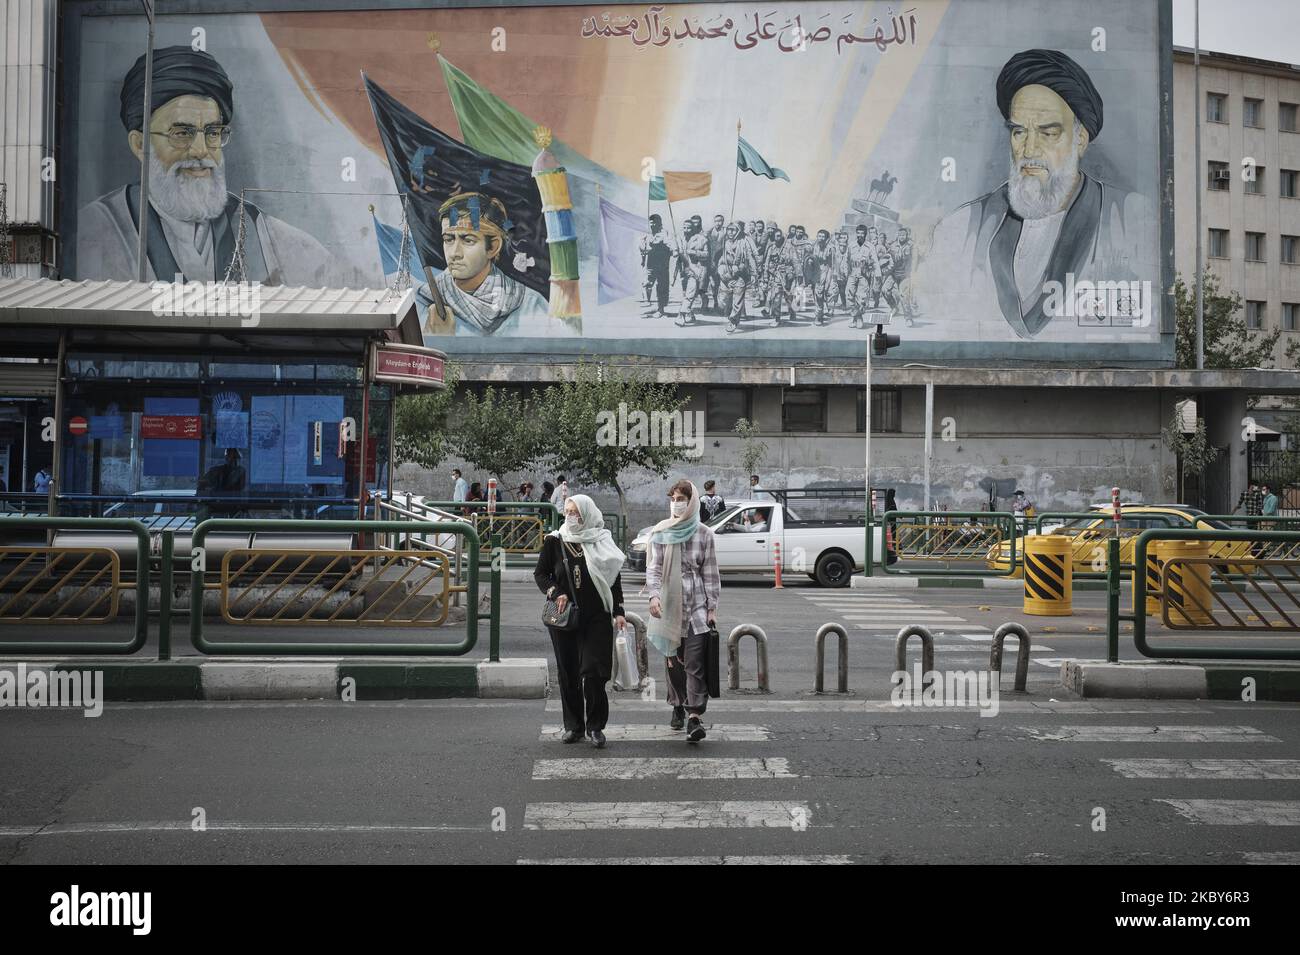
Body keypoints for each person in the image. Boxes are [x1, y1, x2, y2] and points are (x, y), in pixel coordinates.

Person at [918, 48, 1148, 339]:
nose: (1028, 150)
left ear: (1080, 138)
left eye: (1048, 133)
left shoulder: (1132, 219)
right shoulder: (961, 227)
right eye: (1018, 132)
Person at [77, 46, 333, 285]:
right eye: (181, 133)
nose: (201, 150)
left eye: (212, 132)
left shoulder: (278, 243)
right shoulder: (94, 232)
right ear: (139, 144)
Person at [534, 494, 627, 747]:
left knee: (594, 672)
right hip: (564, 617)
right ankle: (573, 726)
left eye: (575, 512)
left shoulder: (602, 540)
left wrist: (619, 610)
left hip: (597, 615)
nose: (570, 516)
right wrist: (556, 591)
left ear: (586, 513)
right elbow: (541, 574)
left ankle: (596, 726)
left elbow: (613, 578)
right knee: (568, 672)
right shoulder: (555, 541)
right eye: (567, 511)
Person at [645, 480, 721, 742]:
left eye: (682, 498)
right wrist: (654, 596)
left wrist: (712, 608)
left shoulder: (704, 534)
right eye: (674, 498)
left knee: (694, 664)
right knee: (673, 662)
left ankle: (694, 716)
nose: (677, 503)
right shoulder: (661, 531)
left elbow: (710, 574)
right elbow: (654, 568)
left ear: (693, 502)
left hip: (696, 608)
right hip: (668, 604)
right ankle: (677, 702)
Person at [418, 191, 550, 336]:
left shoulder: (531, 306)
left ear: (493, 247)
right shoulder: (424, 302)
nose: (455, 253)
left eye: (468, 240)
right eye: (449, 239)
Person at [641, 213, 674, 318]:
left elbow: (671, 245)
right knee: (647, 283)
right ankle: (648, 302)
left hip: (662, 264)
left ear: (659, 223)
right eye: (650, 223)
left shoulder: (665, 233)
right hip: (651, 263)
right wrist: (643, 254)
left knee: (662, 287)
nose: (652, 225)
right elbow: (642, 248)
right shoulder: (647, 235)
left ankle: (661, 309)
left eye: (654, 223)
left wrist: (674, 250)